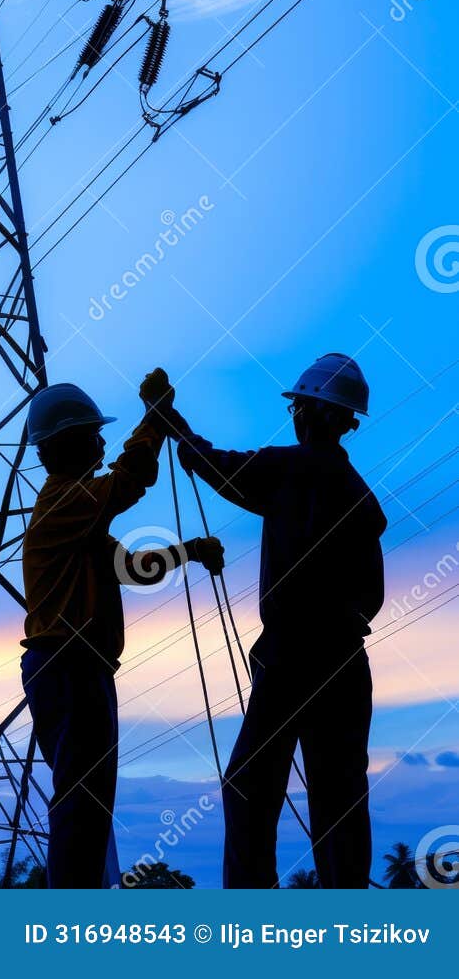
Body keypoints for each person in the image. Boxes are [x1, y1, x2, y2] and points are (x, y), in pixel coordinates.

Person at [147, 354, 386, 889]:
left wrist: (171, 421)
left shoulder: (290, 468)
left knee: (250, 786)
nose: (295, 415)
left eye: (298, 405)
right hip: (346, 661)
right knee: (340, 796)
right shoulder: (359, 495)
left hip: (291, 656)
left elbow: (218, 468)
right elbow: (372, 597)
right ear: (348, 419)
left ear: (310, 410)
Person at [20, 373, 224, 888]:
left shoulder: (78, 519)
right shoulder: (66, 505)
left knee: (85, 804)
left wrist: (189, 551)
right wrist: (153, 420)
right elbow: (130, 480)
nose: (102, 442)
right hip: (70, 667)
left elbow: (133, 569)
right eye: (93, 434)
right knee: (81, 805)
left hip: (72, 668)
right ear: (67, 446)